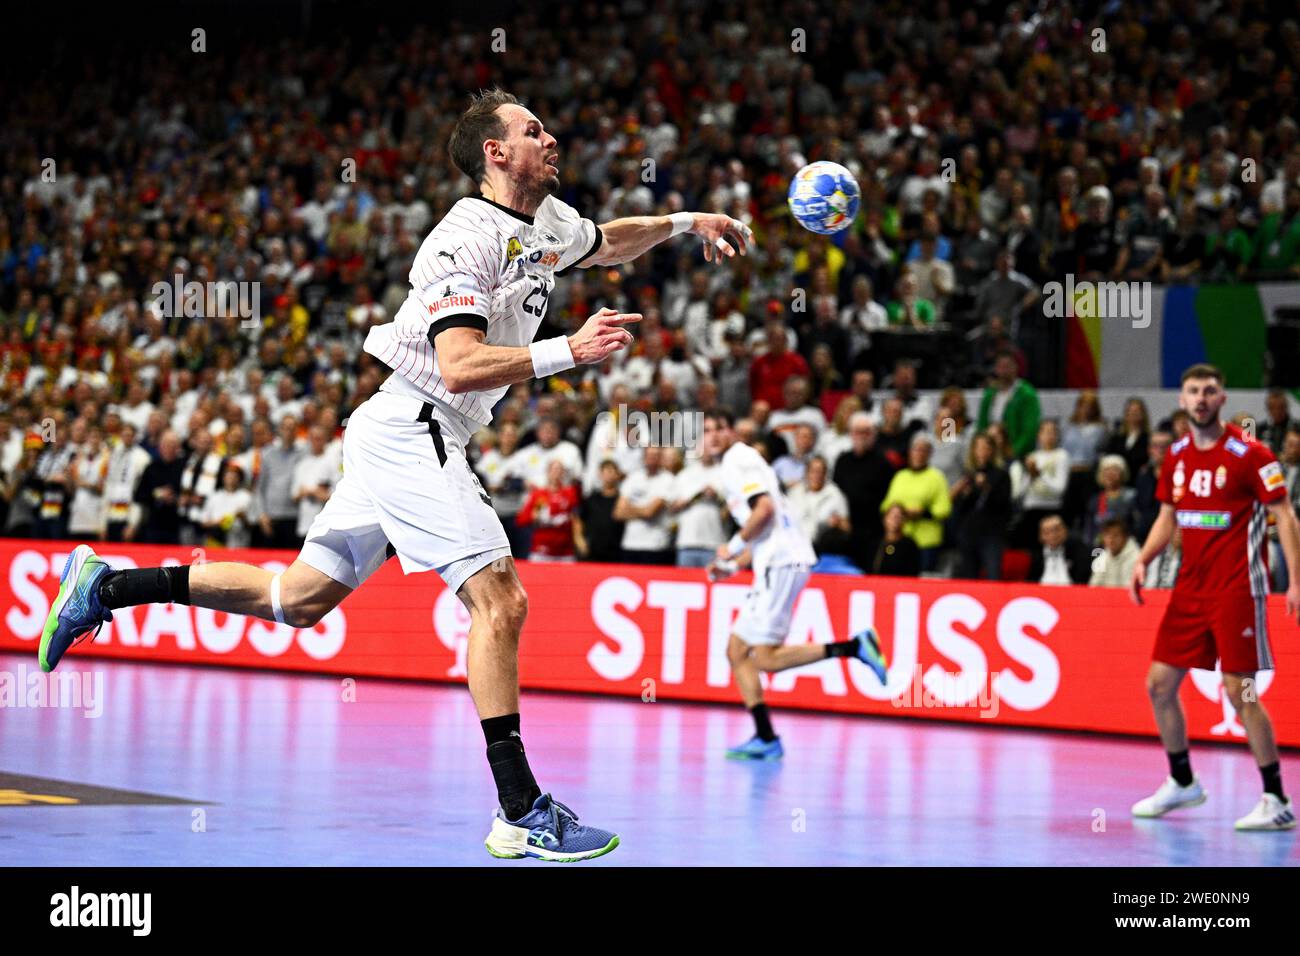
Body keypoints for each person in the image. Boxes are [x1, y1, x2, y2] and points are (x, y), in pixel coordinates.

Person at [39, 88, 757, 861]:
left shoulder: (546, 221)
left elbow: (608, 241)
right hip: (418, 419)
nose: (551, 139)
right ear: (494, 152)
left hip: (403, 428)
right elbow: (460, 364)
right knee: (501, 599)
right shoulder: (461, 240)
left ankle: (105, 587)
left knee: (299, 600)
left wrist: (691, 223)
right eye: (533, 131)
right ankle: (519, 808)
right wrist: (567, 352)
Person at [1129, 363, 1300, 831]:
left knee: (1238, 691)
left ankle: (1276, 798)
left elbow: (1285, 516)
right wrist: (1143, 558)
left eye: (1209, 390)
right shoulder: (1177, 456)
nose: (1201, 398)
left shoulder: (1251, 453)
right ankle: (1183, 782)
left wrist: (1297, 582)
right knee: (1159, 685)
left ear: (1222, 398)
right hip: (1189, 589)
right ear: (1182, 401)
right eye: (1192, 391)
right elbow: (1168, 516)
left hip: (1237, 589)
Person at [701, 411, 886, 760]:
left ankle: (855, 647)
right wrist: (731, 565)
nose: (711, 435)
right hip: (776, 560)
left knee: (764, 659)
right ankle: (766, 736)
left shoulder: (736, 458)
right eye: (705, 431)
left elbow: (765, 510)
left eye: (717, 428)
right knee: (738, 652)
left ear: (731, 430)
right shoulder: (738, 462)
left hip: (782, 562)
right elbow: (764, 529)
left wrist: (732, 547)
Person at [879, 433, 952, 572]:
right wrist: (897, 511)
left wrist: (922, 512)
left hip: (926, 542)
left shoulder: (936, 477)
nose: (918, 454)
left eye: (923, 450)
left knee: (922, 579)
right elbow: (886, 505)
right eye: (915, 449)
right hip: (902, 538)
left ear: (929, 454)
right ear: (909, 452)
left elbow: (944, 509)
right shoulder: (901, 476)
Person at [951, 432, 1012, 580]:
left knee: (993, 575)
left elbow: (1004, 505)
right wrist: (962, 494)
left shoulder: (1001, 475)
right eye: (978, 447)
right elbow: (959, 509)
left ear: (992, 450)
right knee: (969, 577)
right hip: (968, 533)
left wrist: (986, 488)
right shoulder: (967, 475)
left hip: (991, 535)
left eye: (986, 447)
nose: (982, 451)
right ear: (973, 450)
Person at [614, 445, 677, 565]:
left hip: (655, 545)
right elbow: (618, 513)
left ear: (661, 458)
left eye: (656, 456)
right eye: (649, 455)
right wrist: (642, 509)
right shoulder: (633, 478)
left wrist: (629, 508)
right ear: (643, 457)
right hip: (630, 544)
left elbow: (650, 512)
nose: (652, 459)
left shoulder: (668, 479)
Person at [975, 350, 1040, 459]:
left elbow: (1029, 431)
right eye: (1000, 366)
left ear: (1015, 368)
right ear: (995, 369)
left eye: (1007, 366)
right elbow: (982, 425)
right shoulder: (990, 394)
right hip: (991, 451)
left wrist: (1013, 451)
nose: (1004, 371)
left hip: (1015, 452)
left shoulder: (1026, 394)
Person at [669, 444, 725, 568]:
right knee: (685, 583)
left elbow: (730, 505)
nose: (705, 452)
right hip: (687, 541)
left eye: (709, 448)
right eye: (702, 448)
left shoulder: (723, 472)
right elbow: (672, 506)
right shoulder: (685, 475)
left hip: (714, 542)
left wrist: (715, 495)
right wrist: (695, 496)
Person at [515, 460, 580, 562]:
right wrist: (533, 516)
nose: (556, 473)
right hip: (541, 550)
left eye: (560, 470)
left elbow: (576, 518)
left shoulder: (570, 493)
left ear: (563, 473)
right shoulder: (539, 494)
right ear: (547, 472)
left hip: (565, 551)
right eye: (554, 469)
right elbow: (521, 520)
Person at [1027, 514, 1093, 585]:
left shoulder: (1079, 550)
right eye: (1047, 532)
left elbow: (1083, 578)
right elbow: (1032, 580)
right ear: (1041, 536)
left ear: (1065, 531)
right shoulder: (1036, 555)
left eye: (1056, 530)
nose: (1052, 535)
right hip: (1042, 592)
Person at [868, 503, 922, 576]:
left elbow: (913, 572)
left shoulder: (909, 544)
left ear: (904, 520)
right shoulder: (876, 543)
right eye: (892, 516)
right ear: (884, 519)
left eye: (898, 517)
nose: (894, 520)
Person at [1088, 517, 1139, 587]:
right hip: (1106, 596)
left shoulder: (1137, 557)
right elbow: (1094, 586)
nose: (1111, 540)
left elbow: (1130, 588)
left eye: (1116, 535)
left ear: (1125, 537)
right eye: (1107, 535)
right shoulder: (1102, 557)